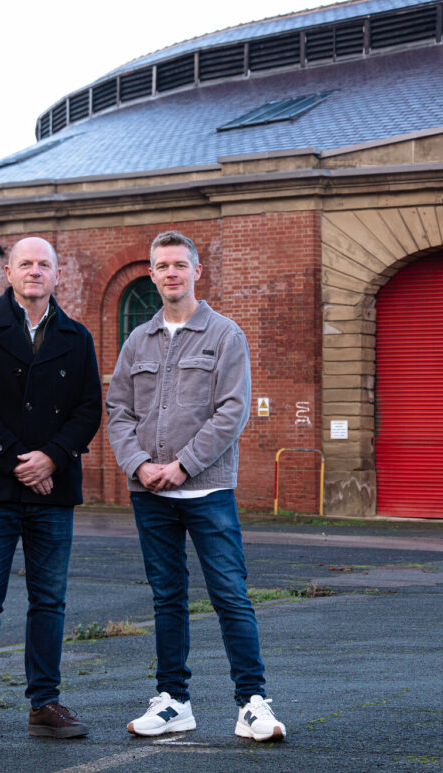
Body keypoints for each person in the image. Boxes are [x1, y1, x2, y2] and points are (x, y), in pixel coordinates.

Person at [105, 230, 287, 742]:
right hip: (151, 496)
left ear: (196, 271)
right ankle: (173, 702)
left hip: (207, 492)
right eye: (162, 266)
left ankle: (252, 703)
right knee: (167, 598)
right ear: (152, 274)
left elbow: (233, 411)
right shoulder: (137, 341)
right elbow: (118, 410)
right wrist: (139, 464)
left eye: (180, 265)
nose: (171, 274)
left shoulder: (225, 335)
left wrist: (183, 465)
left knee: (230, 595)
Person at [0, 236, 102, 746]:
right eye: (25, 264)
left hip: (53, 491)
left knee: (50, 601)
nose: (35, 271)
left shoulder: (77, 337)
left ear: (57, 275)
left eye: (44, 264)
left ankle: (44, 704)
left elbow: (88, 409)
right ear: (8, 274)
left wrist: (52, 457)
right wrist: (21, 460)